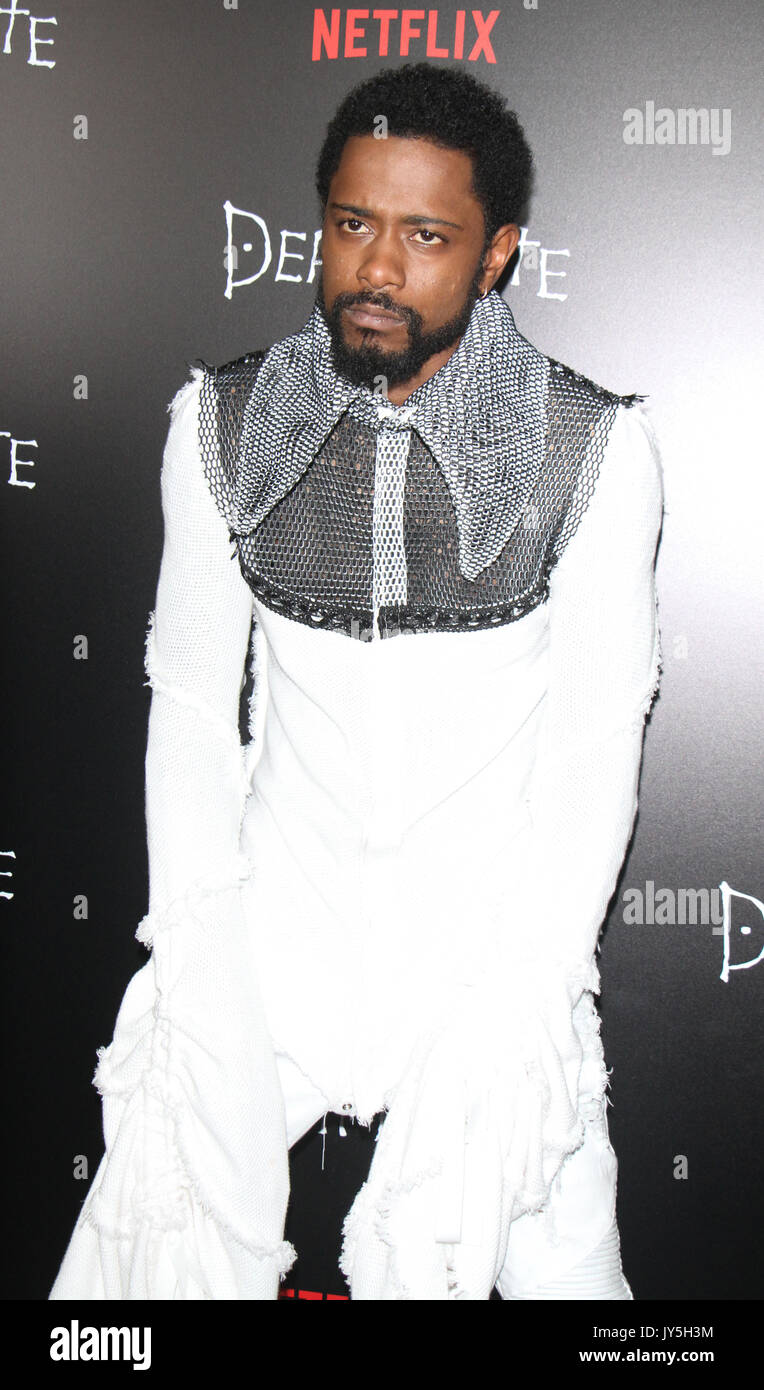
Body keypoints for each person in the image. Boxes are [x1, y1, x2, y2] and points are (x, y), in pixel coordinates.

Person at [49, 62, 663, 1301]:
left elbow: (593, 764)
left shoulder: (593, 445)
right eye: (350, 224)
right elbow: (185, 711)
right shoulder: (221, 423)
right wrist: (202, 957)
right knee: (122, 1295)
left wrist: (517, 1003)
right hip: (268, 946)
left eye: (425, 236)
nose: (375, 269)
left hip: (489, 962)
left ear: (494, 256)